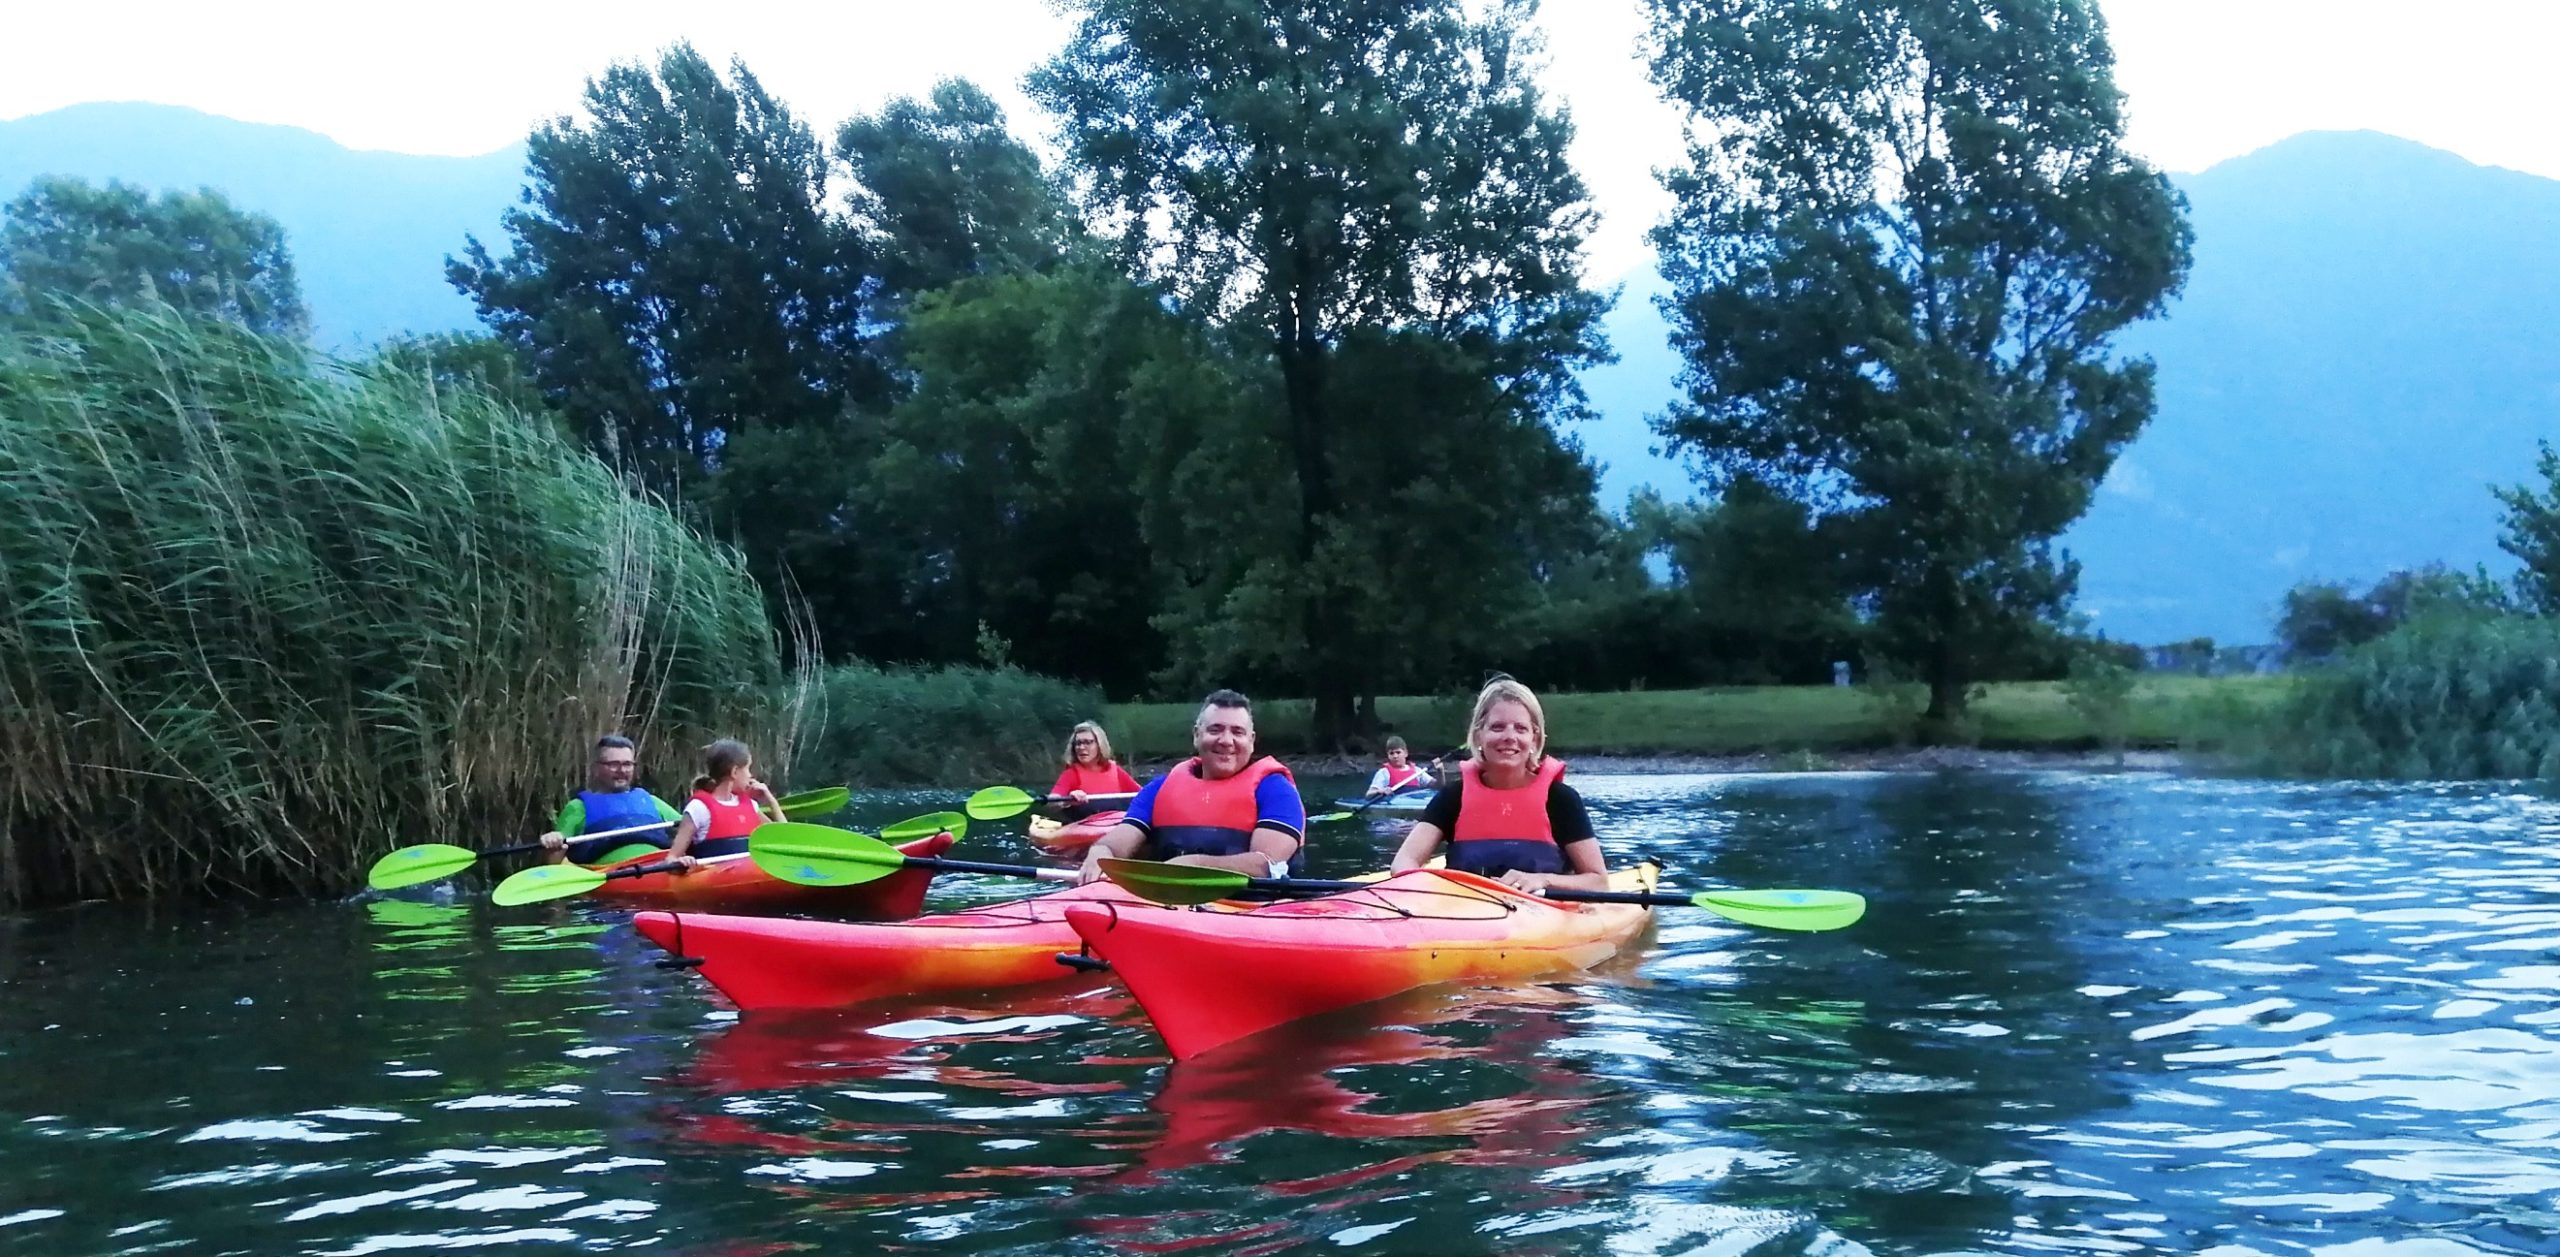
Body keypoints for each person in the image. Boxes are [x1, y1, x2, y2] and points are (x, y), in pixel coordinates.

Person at [1391, 677, 1609, 893]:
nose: (1509, 737)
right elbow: (1403, 862)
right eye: (1497, 727)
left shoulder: (1561, 800)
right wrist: (1429, 890)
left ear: (1535, 739)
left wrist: (1543, 880)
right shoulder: (1453, 797)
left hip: (1542, 913)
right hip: (1465, 911)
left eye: (1521, 729)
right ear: (1478, 736)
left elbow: (1598, 881)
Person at [1077, 690, 1306, 885]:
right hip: (1171, 904)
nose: (1226, 741)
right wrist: (1101, 852)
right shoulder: (1159, 789)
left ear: (1252, 740)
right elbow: (1117, 844)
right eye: (1215, 729)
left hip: (1253, 910)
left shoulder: (1277, 790)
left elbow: (1267, 864)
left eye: (1237, 732)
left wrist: (1195, 864)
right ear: (1197, 735)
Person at [541, 735, 691, 865]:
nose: (622, 770)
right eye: (613, 764)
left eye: (627, 764)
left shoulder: (651, 801)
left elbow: (691, 828)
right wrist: (553, 841)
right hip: (608, 874)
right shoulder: (578, 807)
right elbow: (555, 860)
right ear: (596, 768)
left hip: (660, 867)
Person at [668, 738, 784, 867]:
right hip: (716, 881)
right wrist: (681, 862)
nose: (750, 775)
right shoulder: (698, 808)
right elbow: (671, 858)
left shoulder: (750, 805)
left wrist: (772, 801)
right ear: (734, 772)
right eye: (748, 768)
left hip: (751, 879)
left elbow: (785, 839)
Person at [1050, 720, 1142, 819]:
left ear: (1100, 745)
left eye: (1088, 742)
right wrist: (1066, 800)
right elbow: (1052, 801)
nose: (1081, 747)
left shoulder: (1116, 771)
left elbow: (1143, 795)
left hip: (1115, 826)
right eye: (1077, 743)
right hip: (1083, 827)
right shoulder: (1071, 774)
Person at [1363, 736, 1436, 798]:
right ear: (1388, 755)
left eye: (1398, 752)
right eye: (1391, 753)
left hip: (1414, 802)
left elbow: (1438, 786)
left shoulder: (1417, 771)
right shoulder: (1384, 773)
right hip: (1395, 805)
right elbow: (1368, 794)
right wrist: (1381, 791)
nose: (1395, 756)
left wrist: (1440, 771)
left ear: (1406, 753)